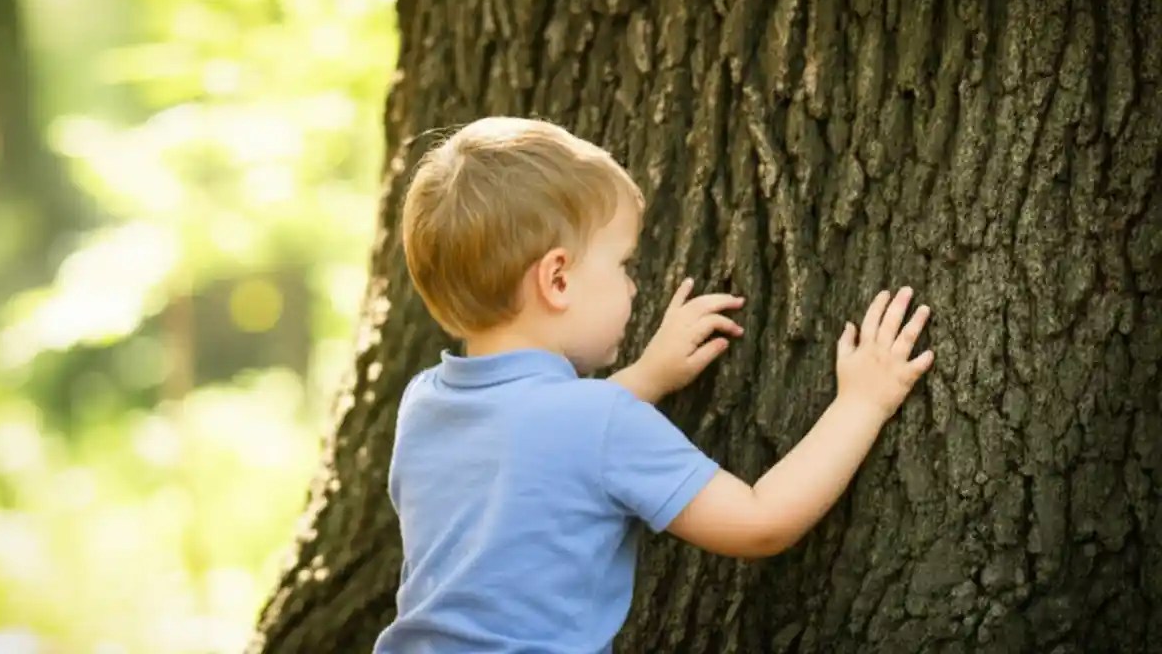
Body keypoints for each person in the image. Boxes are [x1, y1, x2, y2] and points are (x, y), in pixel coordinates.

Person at [373, 117, 934, 653]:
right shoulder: (601, 422)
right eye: (623, 265)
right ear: (558, 279)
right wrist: (863, 401)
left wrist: (646, 376)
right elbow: (761, 521)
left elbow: (540, 447)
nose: (635, 287)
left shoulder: (425, 404)